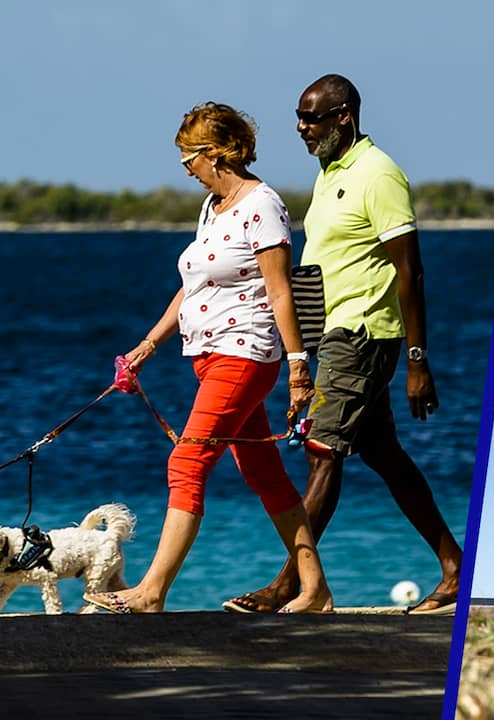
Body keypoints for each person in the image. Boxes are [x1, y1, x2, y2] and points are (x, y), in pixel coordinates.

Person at [223, 75, 463, 615]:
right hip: (332, 334)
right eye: (298, 118)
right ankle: (454, 566)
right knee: (387, 457)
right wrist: (300, 348)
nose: (301, 129)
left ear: (344, 117)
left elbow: (411, 271)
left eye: (311, 119)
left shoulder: (378, 174)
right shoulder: (331, 173)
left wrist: (418, 362)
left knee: (321, 453)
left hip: (361, 335)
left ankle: (292, 583)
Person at [85, 102, 332, 614]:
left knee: (188, 461)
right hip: (209, 354)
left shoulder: (263, 204)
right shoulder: (212, 208)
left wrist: (298, 365)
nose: (185, 167)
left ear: (217, 154)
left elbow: (280, 291)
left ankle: (151, 591)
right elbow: (191, 286)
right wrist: (148, 344)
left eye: (189, 157)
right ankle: (315, 590)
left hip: (247, 352)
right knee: (264, 473)